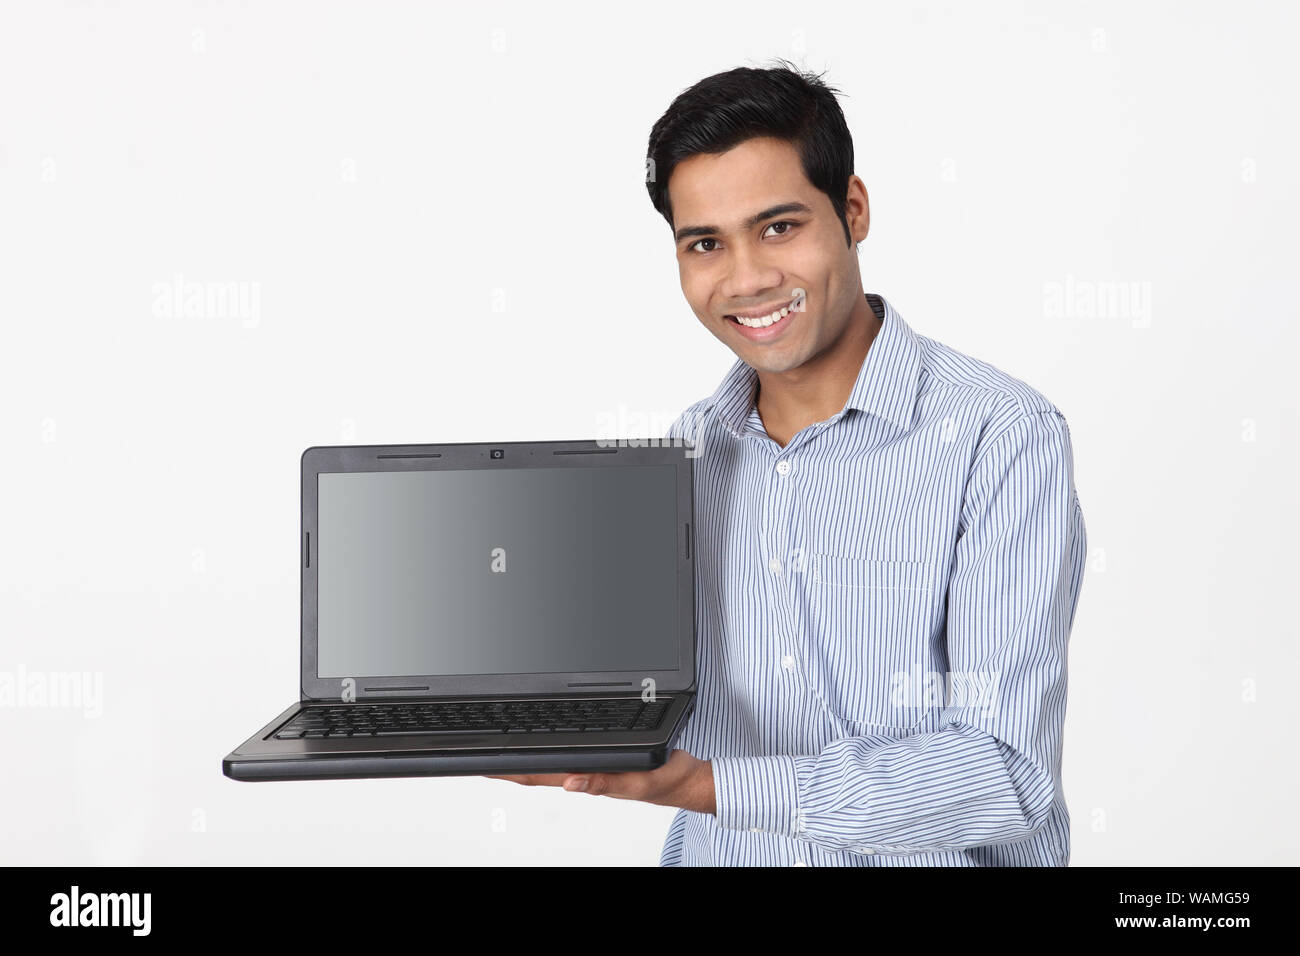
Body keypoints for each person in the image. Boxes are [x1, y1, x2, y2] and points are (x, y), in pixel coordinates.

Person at [489, 59, 1087, 867]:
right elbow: (658, 702)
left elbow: (1003, 776)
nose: (748, 279)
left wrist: (704, 785)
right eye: (706, 243)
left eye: (779, 226)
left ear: (853, 209)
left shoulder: (1000, 434)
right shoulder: (685, 452)